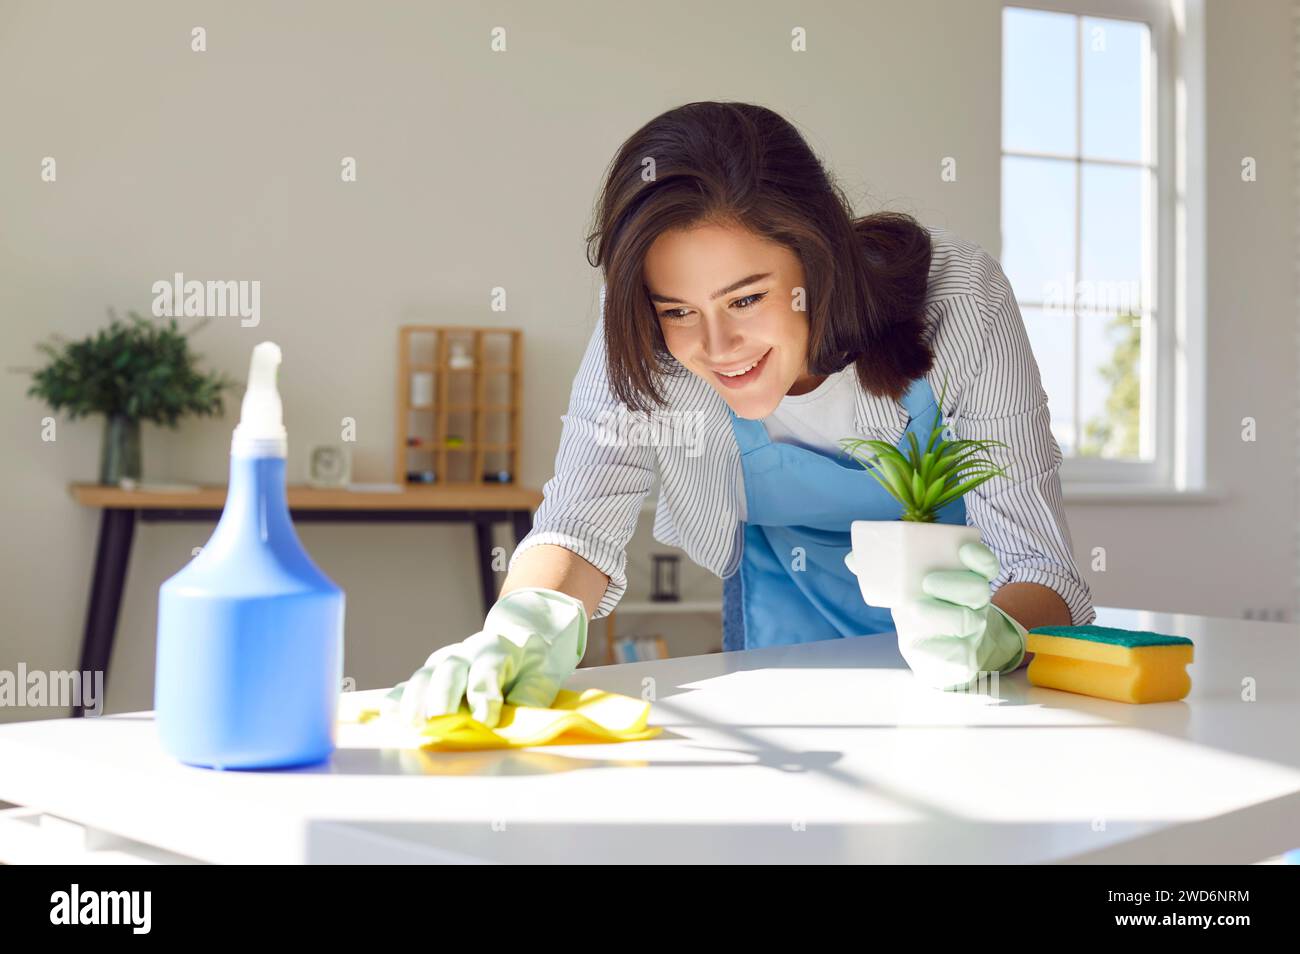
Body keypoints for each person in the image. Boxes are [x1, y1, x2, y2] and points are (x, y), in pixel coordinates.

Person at [389, 101, 1096, 727]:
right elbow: (578, 522)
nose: (718, 348)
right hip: (781, 630)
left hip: (975, 649)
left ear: (818, 261)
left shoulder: (957, 297)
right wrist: (521, 622)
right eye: (679, 311)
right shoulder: (639, 330)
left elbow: (1043, 567)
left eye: (747, 299)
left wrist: (998, 630)